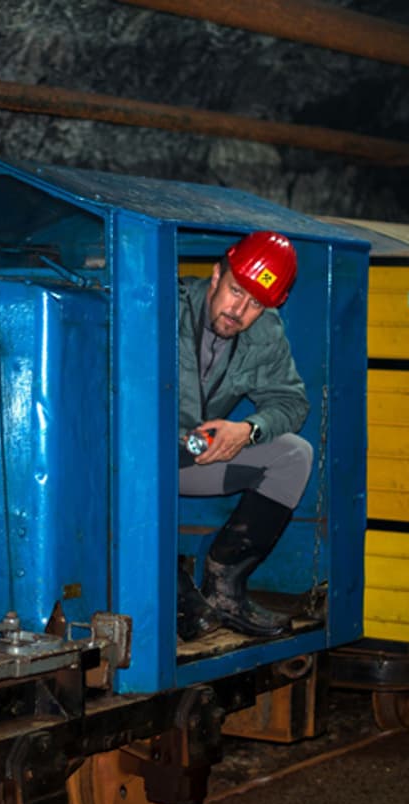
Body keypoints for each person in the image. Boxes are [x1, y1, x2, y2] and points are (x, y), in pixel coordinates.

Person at [176, 231, 312, 642]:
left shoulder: (264, 333)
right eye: (236, 291)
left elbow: (291, 402)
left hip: (191, 456)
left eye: (256, 303)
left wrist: (247, 430)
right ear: (216, 275)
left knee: (294, 455)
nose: (239, 311)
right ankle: (173, 591)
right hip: (124, 462)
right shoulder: (161, 307)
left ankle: (225, 590)